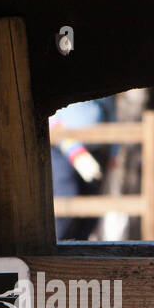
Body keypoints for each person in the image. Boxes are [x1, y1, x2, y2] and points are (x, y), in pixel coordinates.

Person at [50, 97, 115, 241]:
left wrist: (114, 151)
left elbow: (111, 112)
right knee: (66, 200)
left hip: (95, 151)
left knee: (92, 207)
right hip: (62, 149)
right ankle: (58, 245)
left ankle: (80, 246)